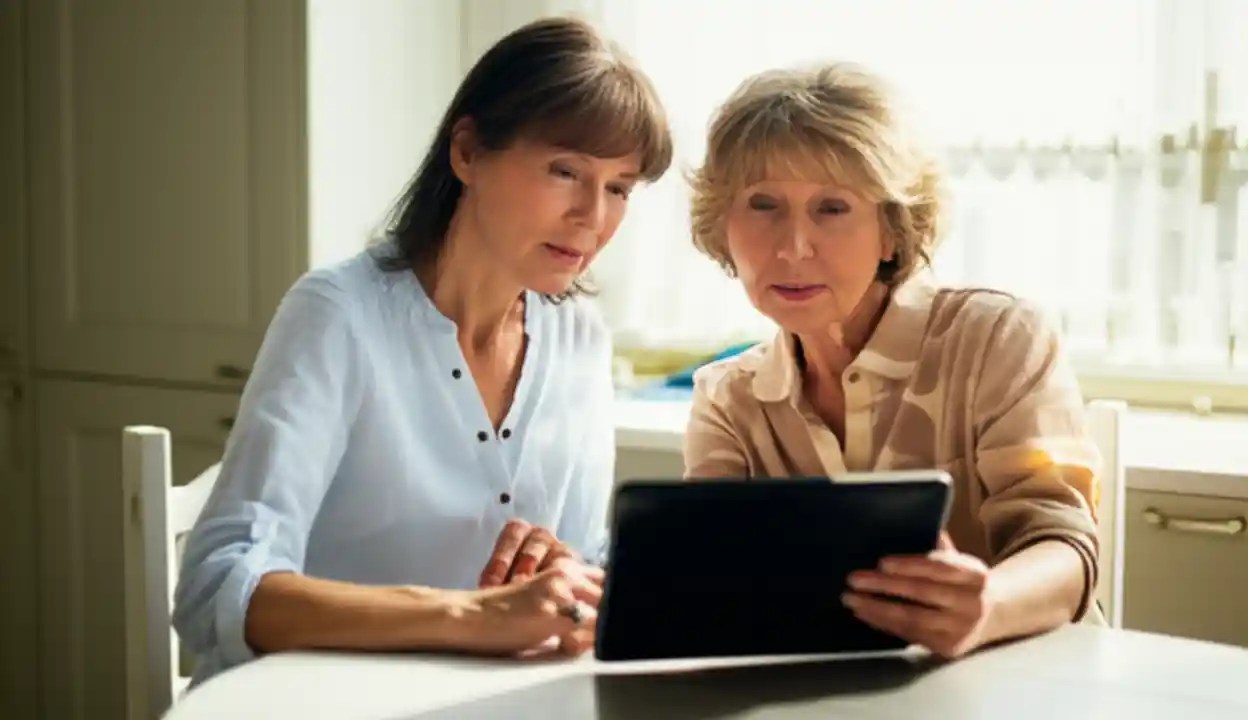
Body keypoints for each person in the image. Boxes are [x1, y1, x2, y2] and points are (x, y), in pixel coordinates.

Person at [174, 16, 672, 682]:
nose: (595, 216)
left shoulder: (579, 333)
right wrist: (474, 616)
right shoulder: (340, 315)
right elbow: (216, 586)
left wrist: (567, 578)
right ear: (467, 153)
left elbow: (587, 558)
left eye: (619, 188)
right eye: (564, 171)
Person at [683, 63, 1101, 659]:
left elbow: (1064, 544)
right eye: (763, 204)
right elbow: (706, 572)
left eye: (832, 208)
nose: (793, 246)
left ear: (892, 232)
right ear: (723, 228)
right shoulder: (727, 397)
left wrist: (988, 604)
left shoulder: (997, 337)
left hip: (1030, 681)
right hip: (827, 688)